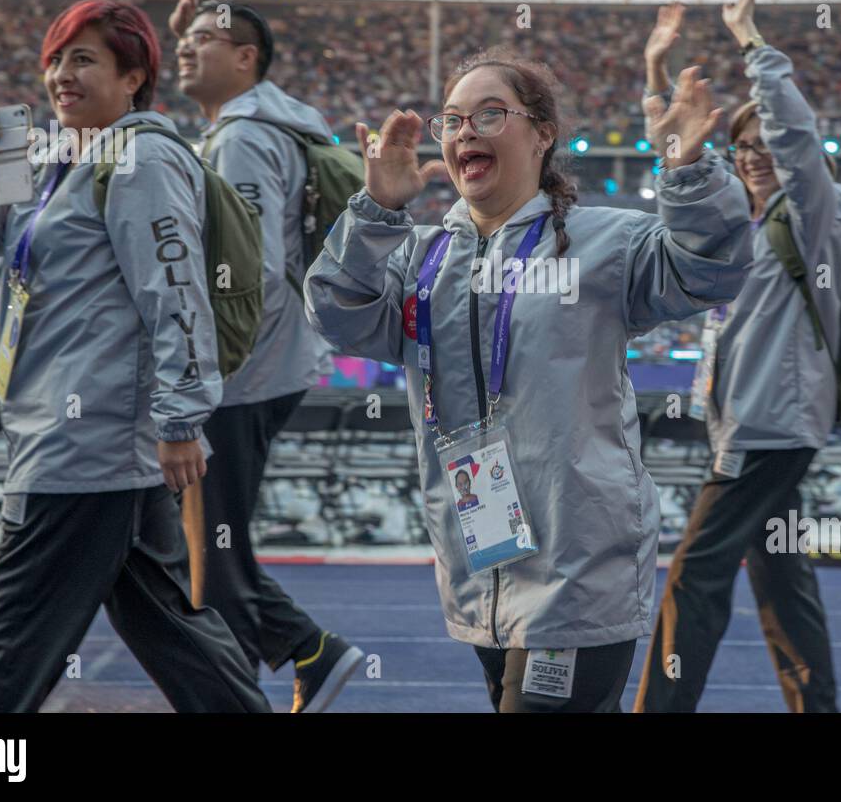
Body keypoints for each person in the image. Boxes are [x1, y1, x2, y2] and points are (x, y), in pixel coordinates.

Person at [306, 47, 750, 712]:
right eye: (451, 120)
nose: (464, 133)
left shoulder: (606, 245)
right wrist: (375, 208)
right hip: (478, 555)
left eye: (489, 114)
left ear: (543, 134)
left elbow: (714, 266)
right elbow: (335, 315)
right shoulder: (419, 258)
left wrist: (685, 167)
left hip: (578, 562)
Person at [0, 0, 270, 712]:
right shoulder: (48, 156)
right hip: (78, 435)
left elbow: (177, 291)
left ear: (134, 78)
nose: (60, 75)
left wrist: (180, 419)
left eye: (84, 59)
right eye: (56, 58)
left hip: (85, 442)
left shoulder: (141, 159)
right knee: (169, 629)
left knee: (13, 644)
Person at [635, 0, 841, 714]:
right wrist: (657, 72)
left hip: (768, 430)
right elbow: (680, 161)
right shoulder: (738, 222)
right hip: (745, 424)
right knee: (783, 579)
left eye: (765, 145)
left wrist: (752, 41)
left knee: (694, 575)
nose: (755, 154)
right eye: (743, 144)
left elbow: (797, 138)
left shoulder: (818, 218)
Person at [167, 0, 363, 712]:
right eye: (182, 43)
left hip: (240, 373)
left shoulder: (244, 140)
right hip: (263, 366)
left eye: (203, 42)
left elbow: (237, 273)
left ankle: (277, 668)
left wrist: (200, 377)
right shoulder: (250, 128)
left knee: (209, 553)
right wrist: (181, 29)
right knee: (210, 543)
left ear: (246, 59)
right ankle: (295, 657)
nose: (186, 51)